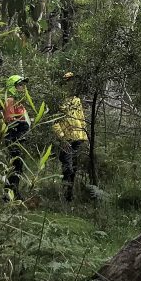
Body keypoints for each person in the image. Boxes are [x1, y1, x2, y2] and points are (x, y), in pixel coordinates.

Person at [54, 72, 89, 202]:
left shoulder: (77, 100)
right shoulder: (59, 100)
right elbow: (54, 121)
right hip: (66, 139)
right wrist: (61, 137)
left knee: (74, 168)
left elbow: (81, 118)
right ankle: (63, 194)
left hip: (78, 138)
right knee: (67, 167)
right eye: (69, 81)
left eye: (73, 82)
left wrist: (84, 135)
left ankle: (68, 196)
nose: (72, 84)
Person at [3, 75, 31, 200]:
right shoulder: (10, 100)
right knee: (15, 165)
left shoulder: (20, 103)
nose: (23, 87)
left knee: (18, 166)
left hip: (19, 137)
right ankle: (9, 194)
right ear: (13, 87)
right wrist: (22, 123)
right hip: (13, 136)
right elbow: (9, 119)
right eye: (20, 85)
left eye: (23, 85)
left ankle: (13, 193)